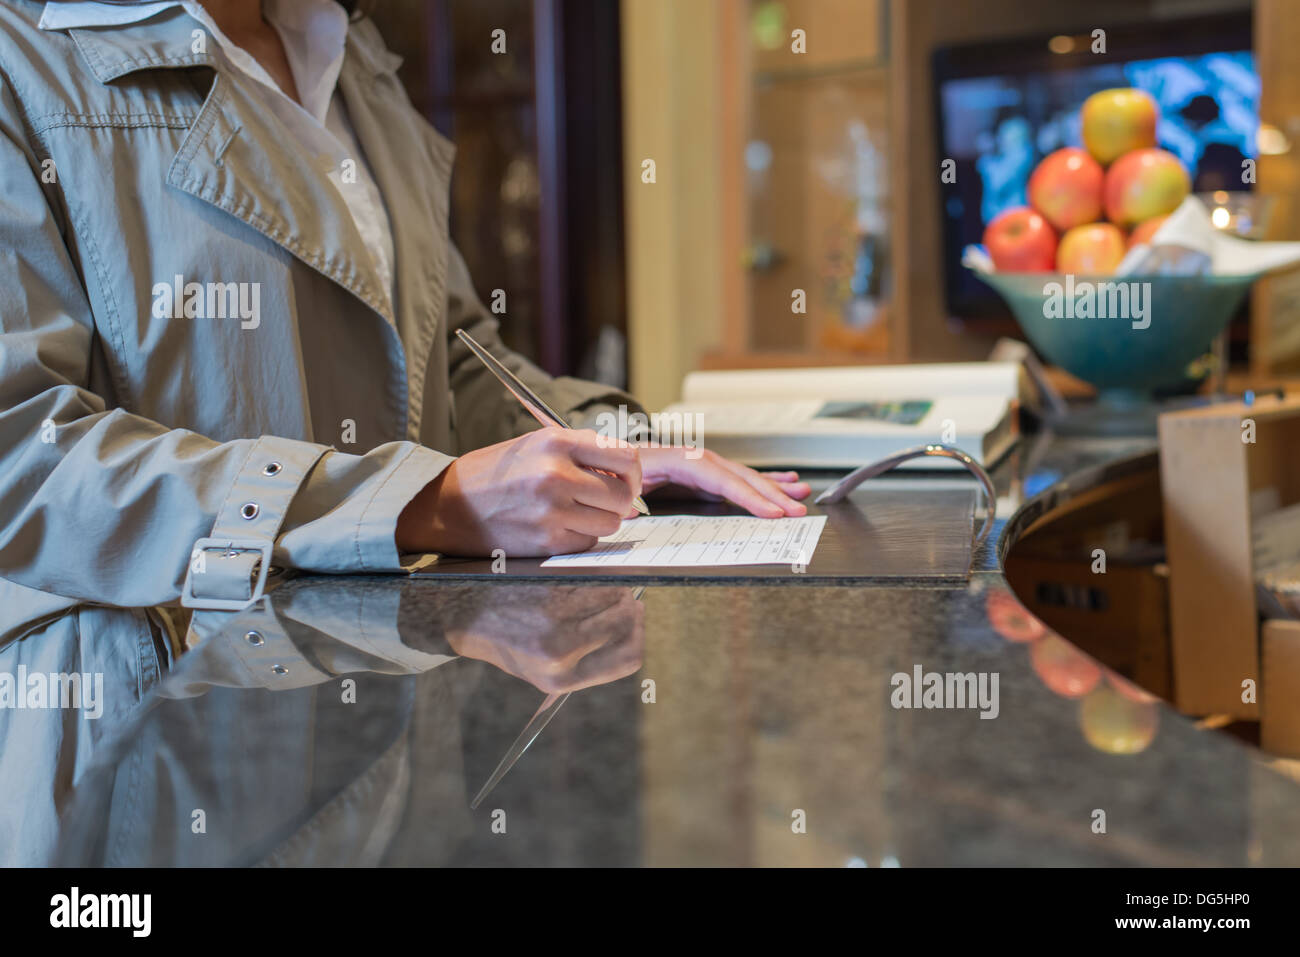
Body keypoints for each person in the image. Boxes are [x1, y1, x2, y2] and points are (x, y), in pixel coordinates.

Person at [0, 0, 810, 650]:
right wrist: (418, 501)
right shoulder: (19, 65)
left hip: (385, 719)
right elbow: (23, 461)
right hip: (142, 737)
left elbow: (450, 357)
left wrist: (605, 445)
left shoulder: (349, 52)